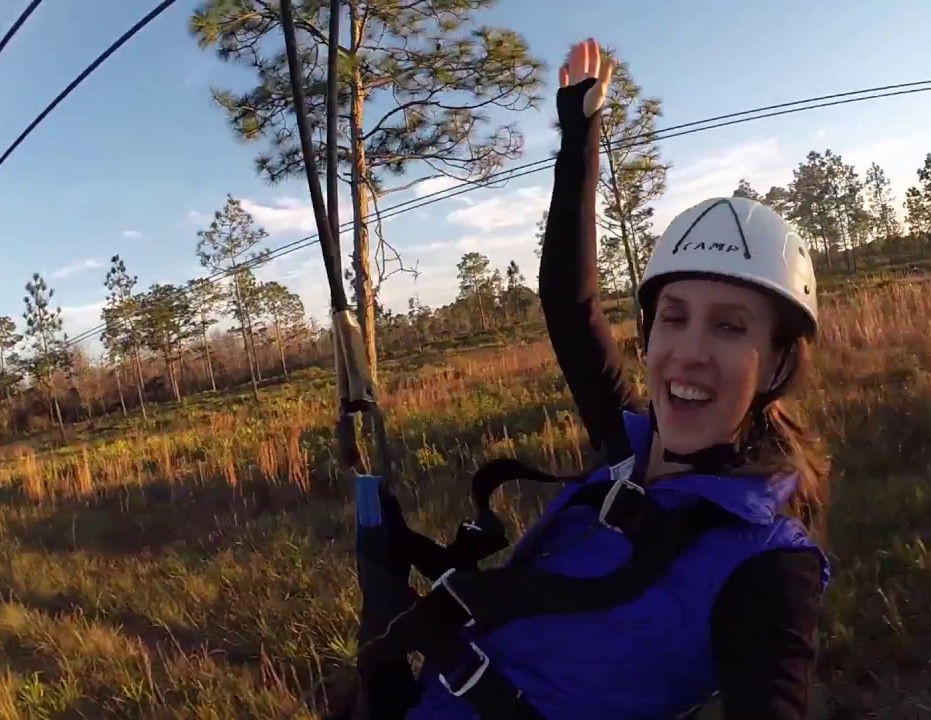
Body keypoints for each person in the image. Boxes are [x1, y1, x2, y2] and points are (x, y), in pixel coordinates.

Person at [345, 38, 831, 720]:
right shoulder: (625, 445)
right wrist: (581, 134)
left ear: (778, 362)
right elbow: (569, 306)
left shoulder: (770, 566)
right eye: (674, 317)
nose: (688, 353)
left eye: (729, 327)